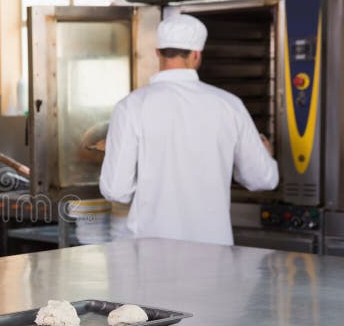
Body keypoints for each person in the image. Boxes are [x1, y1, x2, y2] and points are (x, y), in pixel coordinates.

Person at [99, 14, 278, 246]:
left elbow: (116, 190)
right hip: (213, 251)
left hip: (152, 252)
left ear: (157, 52)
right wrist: (267, 155)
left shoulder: (131, 106)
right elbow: (263, 179)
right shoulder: (228, 104)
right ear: (196, 55)